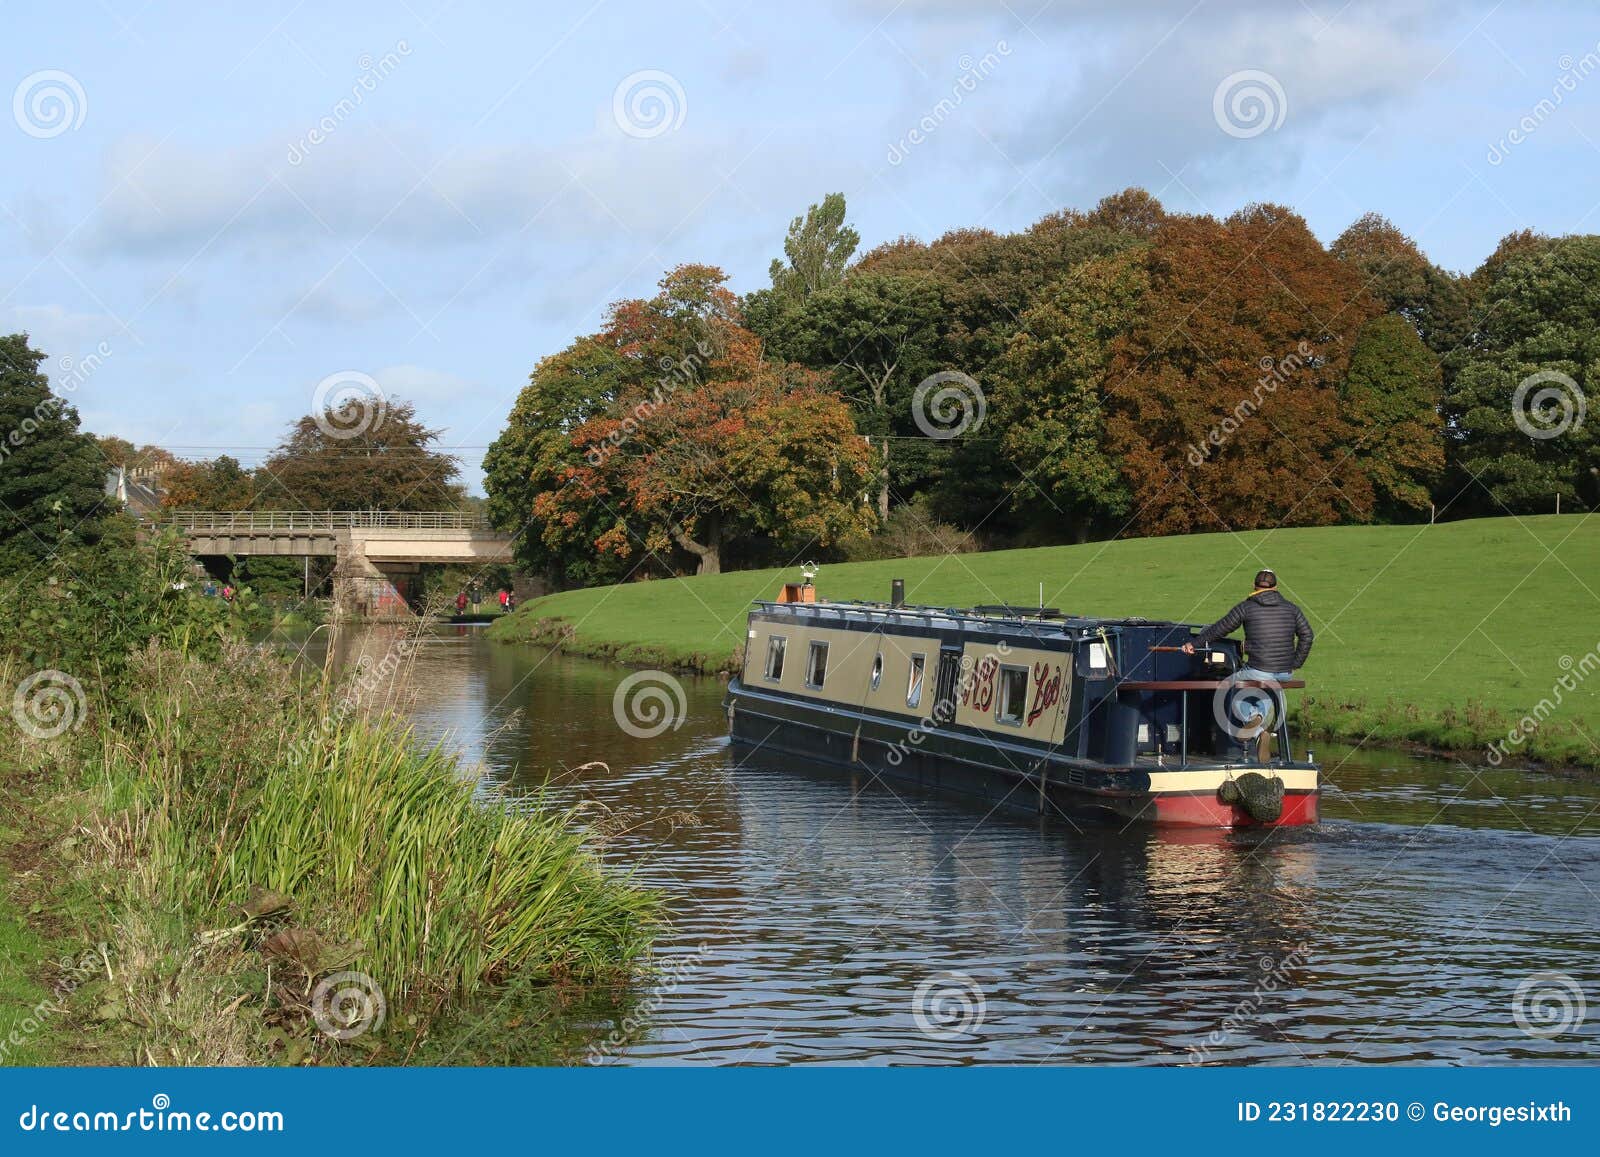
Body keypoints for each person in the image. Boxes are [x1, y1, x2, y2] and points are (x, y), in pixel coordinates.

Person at [1182, 569, 1313, 681]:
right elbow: (1307, 635)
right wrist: (1295, 663)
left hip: (1258, 670)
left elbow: (1220, 629)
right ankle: (1258, 712)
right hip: (1285, 673)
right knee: (1263, 689)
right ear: (1275, 587)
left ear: (1254, 586)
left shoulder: (1246, 607)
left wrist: (1194, 644)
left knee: (1226, 686)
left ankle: (1251, 712)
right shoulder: (1292, 608)